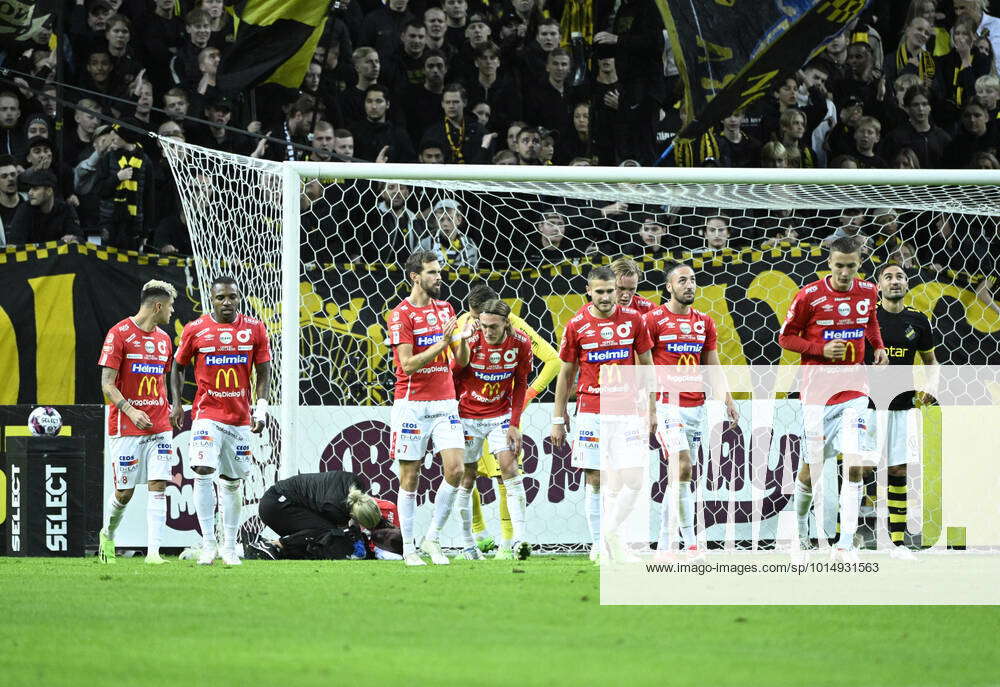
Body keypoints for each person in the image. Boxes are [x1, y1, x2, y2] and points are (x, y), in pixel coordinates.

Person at [779, 236, 888, 561]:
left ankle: (844, 545)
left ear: (859, 265)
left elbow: (869, 321)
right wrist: (819, 349)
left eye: (850, 266)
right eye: (839, 266)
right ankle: (800, 534)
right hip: (817, 396)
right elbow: (785, 337)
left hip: (855, 391)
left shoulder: (869, 291)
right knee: (811, 471)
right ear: (829, 263)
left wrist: (878, 346)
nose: (844, 272)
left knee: (855, 465)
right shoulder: (809, 296)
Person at [551, 265, 653, 562]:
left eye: (612, 291)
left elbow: (647, 366)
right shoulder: (576, 325)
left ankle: (611, 532)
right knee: (596, 479)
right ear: (589, 291)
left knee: (633, 479)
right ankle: (600, 545)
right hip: (591, 412)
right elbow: (566, 374)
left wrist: (652, 407)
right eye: (601, 291)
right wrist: (559, 418)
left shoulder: (634, 320)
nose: (607, 297)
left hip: (627, 412)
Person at [170, 276, 272, 566]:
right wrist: (177, 403)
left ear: (239, 298)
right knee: (202, 470)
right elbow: (177, 367)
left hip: (240, 418)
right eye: (221, 298)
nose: (227, 302)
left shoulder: (254, 329)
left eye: (232, 297)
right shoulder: (196, 329)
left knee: (231, 482)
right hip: (207, 414)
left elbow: (263, 372)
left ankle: (229, 545)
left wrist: (261, 409)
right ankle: (209, 544)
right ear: (211, 300)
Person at [455, 284, 560, 557]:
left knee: (506, 474)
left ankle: (508, 540)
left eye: (485, 319)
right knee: (469, 475)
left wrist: (526, 398)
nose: (479, 324)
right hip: (469, 410)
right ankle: (478, 535)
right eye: (476, 318)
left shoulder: (515, 328)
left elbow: (553, 360)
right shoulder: (464, 325)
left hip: (503, 412)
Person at [644, 261, 737, 557]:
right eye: (682, 280)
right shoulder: (653, 320)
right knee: (682, 466)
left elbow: (712, 364)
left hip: (695, 406)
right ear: (669, 287)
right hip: (666, 405)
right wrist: (648, 407)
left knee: (682, 476)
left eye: (693, 280)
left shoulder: (705, 322)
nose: (689, 285)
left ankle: (664, 544)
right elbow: (642, 365)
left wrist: (727, 398)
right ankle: (690, 541)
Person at [387, 251, 469, 565]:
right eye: (432, 273)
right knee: (410, 476)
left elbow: (460, 361)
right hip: (412, 404)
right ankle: (409, 549)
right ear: (415, 277)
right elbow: (407, 365)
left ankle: (432, 538)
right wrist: (442, 342)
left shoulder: (447, 309)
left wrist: (460, 340)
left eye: (439, 272)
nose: (439, 277)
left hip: (445, 401)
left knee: (456, 469)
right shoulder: (401, 315)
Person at [98, 279, 178, 565]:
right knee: (125, 492)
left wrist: (168, 406)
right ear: (158, 306)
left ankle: (154, 553)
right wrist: (131, 411)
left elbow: (161, 380)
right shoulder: (119, 334)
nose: (172, 313)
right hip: (127, 425)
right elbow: (107, 384)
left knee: (159, 484)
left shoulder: (164, 340)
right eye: (170, 306)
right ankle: (107, 534)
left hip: (159, 425)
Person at [451, 299, 533, 560]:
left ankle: (519, 540)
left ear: (506, 323)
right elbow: (453, 375)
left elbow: (520, 384)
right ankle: (468, 545)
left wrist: (514, 424)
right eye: (484, 325)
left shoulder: (521, 343)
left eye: (493, 326)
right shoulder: (471, 340)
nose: (487, 331)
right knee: (467, 477)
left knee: (510, 469)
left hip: (500, 416)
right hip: (468, 416)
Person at [867, 262, 937, 559]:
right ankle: (843, 542)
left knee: (898, 470)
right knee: (858, 468)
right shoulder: (867, 320)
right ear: (878, 286)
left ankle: (896, 543)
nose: (895, 281)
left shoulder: (918, 321)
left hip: (902, 406)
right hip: (867, 406)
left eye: (900, 277)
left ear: (906, 285)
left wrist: (930, 387)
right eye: (888, 277)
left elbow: (931, 362)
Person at [250, 470, 386, 559]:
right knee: (327, 534)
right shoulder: (335, 508)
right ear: (353, 515)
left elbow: (352, 522)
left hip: (280, 499)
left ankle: (275, 548)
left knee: (324, 536)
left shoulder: (357, 484)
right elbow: (340, 532)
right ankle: (273, 545)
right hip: (275, 506)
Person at [6, 169, 82, 245]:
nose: (30, 193)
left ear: (49, 191)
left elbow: (78, 238)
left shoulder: (66, 209)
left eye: (35, 188)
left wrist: (73, 238)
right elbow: (14, 243)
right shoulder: (24, 209)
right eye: (30, 188)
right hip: (32, 256)